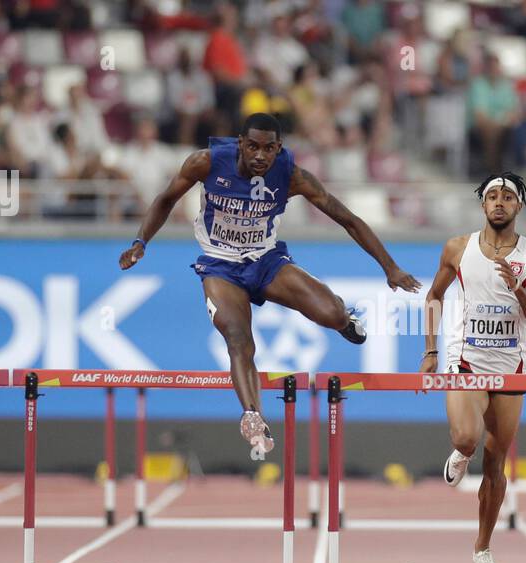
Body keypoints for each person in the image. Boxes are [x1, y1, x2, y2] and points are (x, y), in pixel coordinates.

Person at [119, 113, 420, 452]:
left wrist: (390, 267)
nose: (260, 156)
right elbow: (165, 199)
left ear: (279, 148)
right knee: (237, 337)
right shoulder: (205, 162)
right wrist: (140, 242)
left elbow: (347, 219)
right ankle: (252, 415)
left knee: (331, 315)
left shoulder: (291, 175)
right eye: (253, 147)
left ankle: (342, 317)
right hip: (220, 266)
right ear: (240, 143)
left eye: (269, 149)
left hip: (266, 261)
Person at [420, 173, 526, 563]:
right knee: (466, 438)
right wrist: (430, 350)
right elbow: (433, 296)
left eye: (508, 197)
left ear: (520, 206)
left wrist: (519, 290)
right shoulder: (458, 248)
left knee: (496, 464)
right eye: (492, 196)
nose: (499, 202)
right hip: (467, 363)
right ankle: (461, 452)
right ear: (482, 205)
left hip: (511, 368)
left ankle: (482, 548)